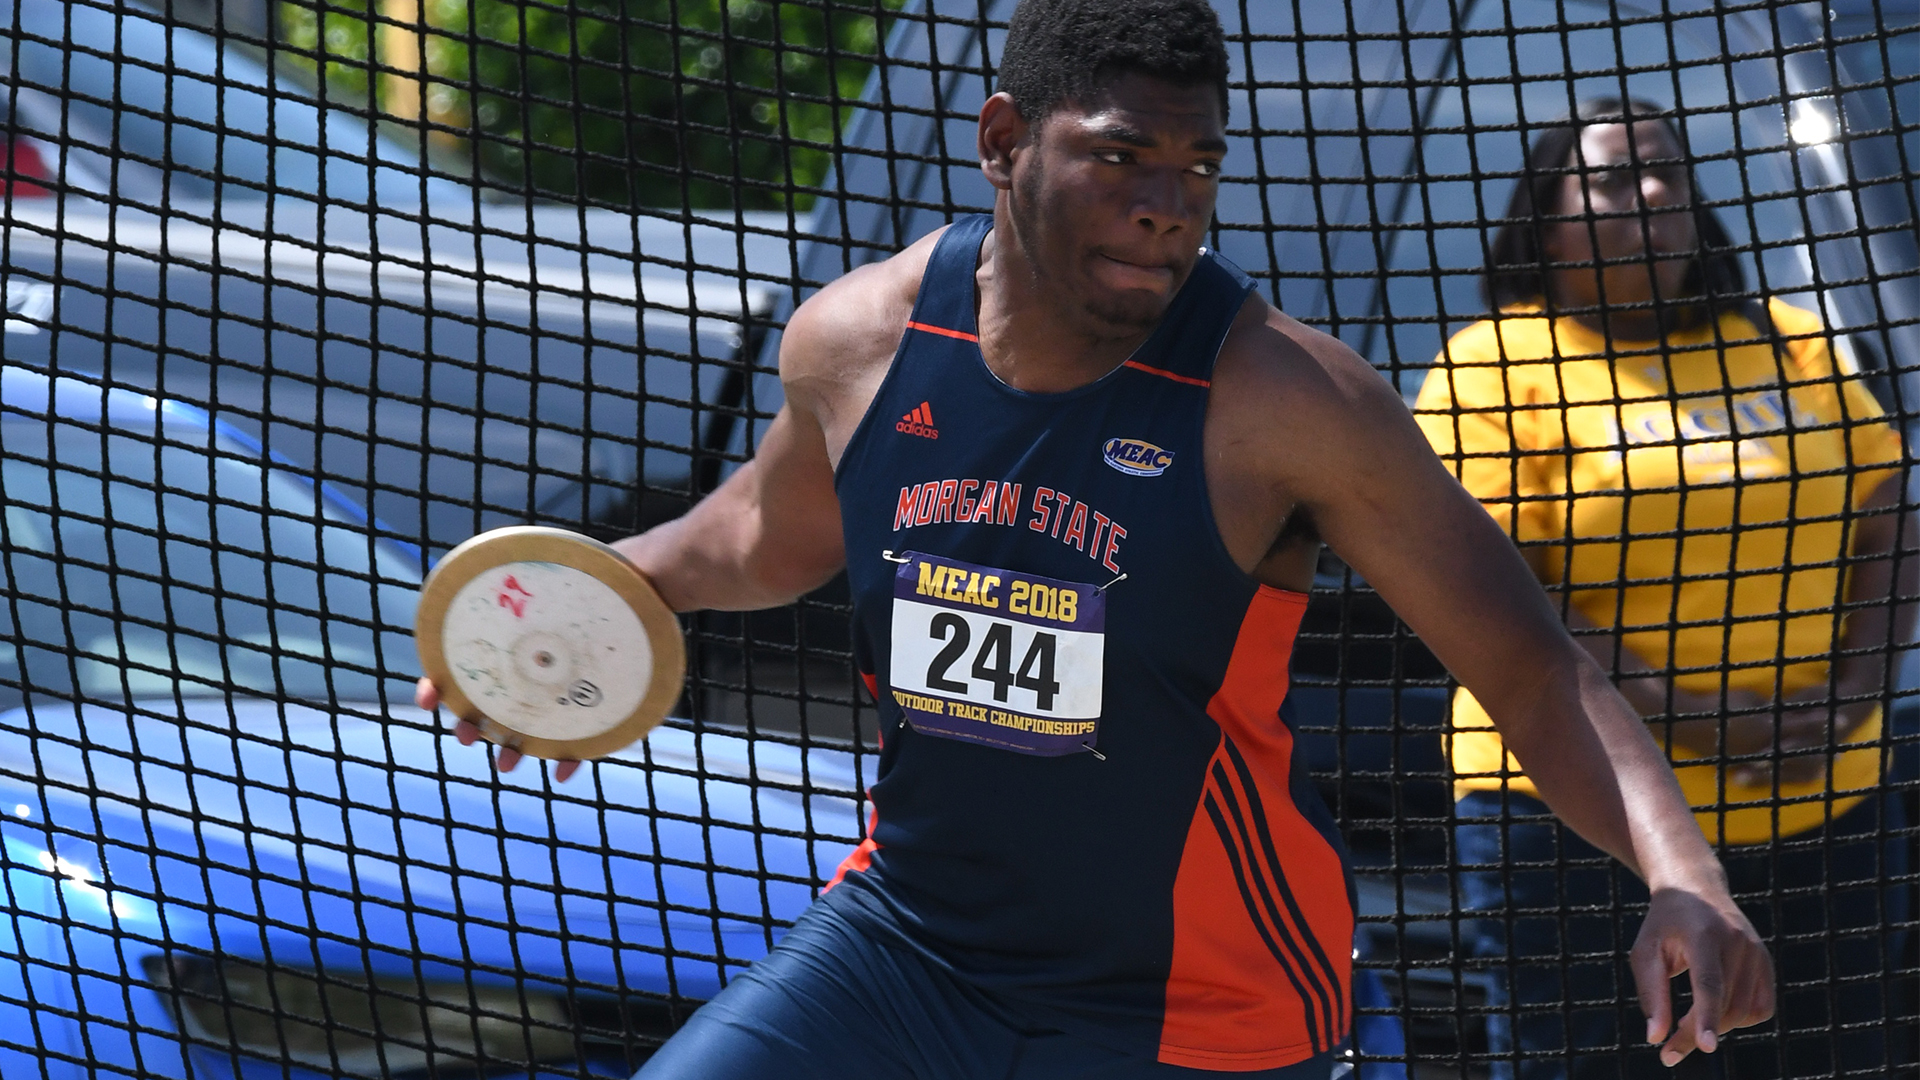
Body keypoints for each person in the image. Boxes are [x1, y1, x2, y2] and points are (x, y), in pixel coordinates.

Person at [419, 6, 1774, 1077]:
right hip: (909, 949)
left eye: (1198, 167)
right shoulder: (863, 340)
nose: (1168, 201)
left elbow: (1531, 670)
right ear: (1004, 138)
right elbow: (764, 536)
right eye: (1122, 156)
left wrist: (1682, 875)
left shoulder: (1287, 402)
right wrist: (584, 608)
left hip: (1200, 1011)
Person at [1414, 98, 1914, 1079]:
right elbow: (1498, 599)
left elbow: (1890, 515)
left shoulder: (1790, 340)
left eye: (1668, 174)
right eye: (1611, 180)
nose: (1650, 193)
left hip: (1831, 812)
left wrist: (1855, 694)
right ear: (1545, 221)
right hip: (1584, 837)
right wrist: (1691, 719)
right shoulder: (1492, 369)